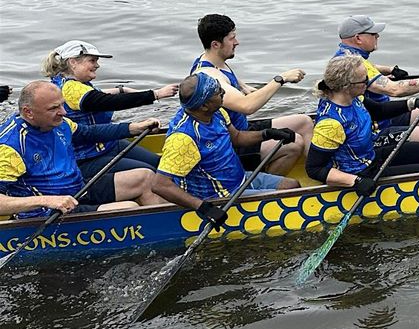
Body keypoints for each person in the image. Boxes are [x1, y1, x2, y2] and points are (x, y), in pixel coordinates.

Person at [0, 81, 160, 219]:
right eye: (54, 108)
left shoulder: (61, 123)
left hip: (77, 189)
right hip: (49, 212)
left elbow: (89, 133)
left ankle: (167, 225)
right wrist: (47, 201)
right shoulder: (9, 148)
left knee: (145, 177)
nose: (63, 112)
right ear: (28, 112)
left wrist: (133, 128)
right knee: (129, 208)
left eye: (62, 104)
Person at [152, 73, 300, 221]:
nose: (223, 92)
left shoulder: (217, 112)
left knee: (292, 185)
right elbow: (160, 185)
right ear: (204, 106)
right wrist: (202, 207)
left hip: (239, 179)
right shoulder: (182, 139)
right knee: (290, 196)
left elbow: (237, 137)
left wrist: (267, 134)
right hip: (218, 197)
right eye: (217, 92)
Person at [191, 14, 312, 175]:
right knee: (294, 144)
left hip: (242, 128)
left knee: (305, 122)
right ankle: (267, 185)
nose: (237, 42)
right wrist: (280, 79)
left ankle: (316, 171)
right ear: (215, 44)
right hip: (231, 144)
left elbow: (231, 82)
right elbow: (246, 106)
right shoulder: (210, 77)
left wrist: (244, 87)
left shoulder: (212, 59)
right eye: (232, 38)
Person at [42, 39, 178, 178]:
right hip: (88, 156)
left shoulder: (69, 82)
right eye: (92, 61)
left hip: (107, 144)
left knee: (159, 164)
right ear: (73, 62)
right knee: (152, 172)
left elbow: (95, 95)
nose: (97, 65)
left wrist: (121, 90)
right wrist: (156, 94)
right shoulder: (71, 88)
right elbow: (106, 102)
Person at [332, 14, 419, 168]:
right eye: (373, 33)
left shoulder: (345, 57)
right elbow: (395, 89)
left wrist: (390, 70)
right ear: (358, 38)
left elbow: (370, 67)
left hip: (380, 115)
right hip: (373, 128)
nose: (377, 36)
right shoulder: (355, 64)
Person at [306, 56, 419, 190]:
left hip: (369, 157)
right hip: (358, 174)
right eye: (364, 80)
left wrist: (412, 103)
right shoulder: (331, 125)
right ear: (347, 86)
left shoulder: (353, 98)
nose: (368, 83)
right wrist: (356, 181)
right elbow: (314, 169)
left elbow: (379, 111)